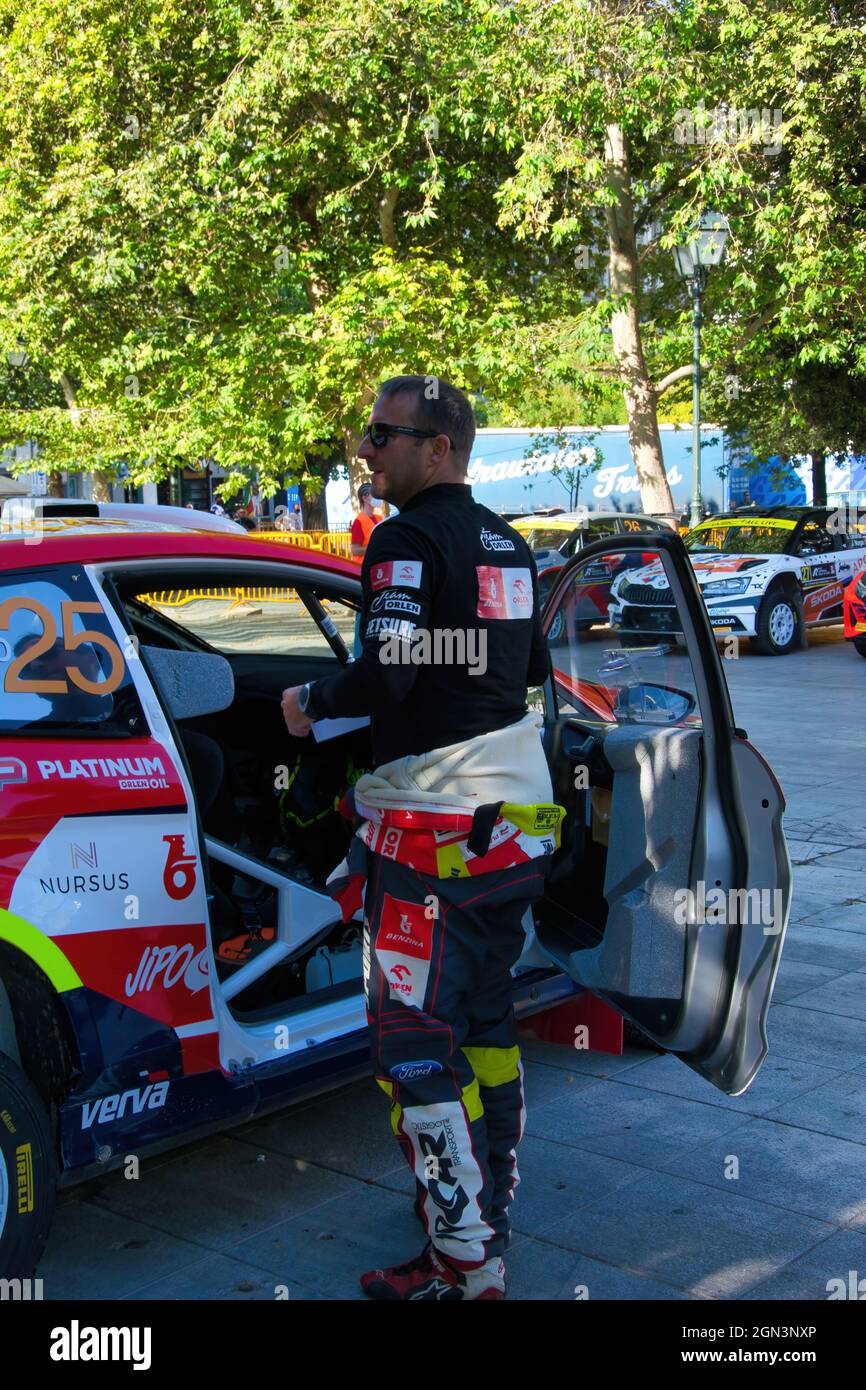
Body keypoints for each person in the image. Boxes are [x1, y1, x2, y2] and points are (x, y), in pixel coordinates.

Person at [281, 375, 562, 1300]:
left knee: (409, 1044)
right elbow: (524, 672)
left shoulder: (403, 540)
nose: (366, 451)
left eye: (382, 435)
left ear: (436, 448)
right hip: (515, 829)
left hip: (432, 836)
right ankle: (486, 1217)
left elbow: (389, 672)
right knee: (481, 1028)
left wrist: (309, 701)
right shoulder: (509, 544)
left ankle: (466, 1261)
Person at [349, 482, 381, 558]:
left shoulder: (380, 518)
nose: (378, 497)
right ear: (365, 498)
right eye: (374, 494)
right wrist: (376, 549)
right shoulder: (358, 521)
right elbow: (354, 550)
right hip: (362, 567)